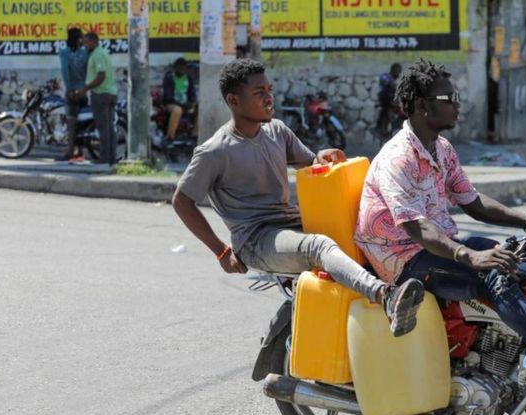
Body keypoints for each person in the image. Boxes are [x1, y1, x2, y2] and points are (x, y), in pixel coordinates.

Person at [354, 59, 526, 384]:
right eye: (448, 99)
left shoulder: (440, 149)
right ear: (422, 106)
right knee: (493, 276)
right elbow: (415, 227)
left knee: (515, 261)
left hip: (436, 244)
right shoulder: (397, 159)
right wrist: (469, 256)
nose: (457, 105)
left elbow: (474, 201)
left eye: (457, 97)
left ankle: (509, 354)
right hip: (403, 258)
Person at [171, 59, 425, 338]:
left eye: (269, 89)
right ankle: (386, 296)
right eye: (259, 93)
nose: (269, 98)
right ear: (233, 100)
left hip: (290, 222)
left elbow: (310, 162)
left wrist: (323, 156)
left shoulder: (276, 131)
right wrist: (221, 251)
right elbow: (182, 201)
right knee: (318, 246)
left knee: (368, 227)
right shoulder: (214, 151)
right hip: (256, 239)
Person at [77, 32, 117, 165]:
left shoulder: (98, 54)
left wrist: (85, 88)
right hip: (110, 93)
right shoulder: (102, 53)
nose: (84, 45)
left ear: (93, 42)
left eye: (86, 42)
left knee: (103, 129)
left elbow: (101, 76)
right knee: (110, 128)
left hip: (101, 94)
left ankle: (105, 159)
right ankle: (111, 158)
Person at [58, 27, 89, 162]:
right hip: (83, 91)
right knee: (82, 123)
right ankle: (80, 152)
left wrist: (69, 89)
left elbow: (65, 71)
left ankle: (69, 152)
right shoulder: (85, 53)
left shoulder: (64, 53)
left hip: (72, 91)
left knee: (71, 122)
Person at [162, 57, 198, 148]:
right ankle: (170, 137)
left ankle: (194, 135)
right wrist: (180, 105)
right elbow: (168, 95)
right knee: (177, 110)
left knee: (200, 108)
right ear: (175, 68)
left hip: (185, 105)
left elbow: (192, 94)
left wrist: (192, 103)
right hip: (171, 104)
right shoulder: (169, 77)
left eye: (184, 68)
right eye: (180, 68)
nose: (182, 70)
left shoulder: (188, 78)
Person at [376, 63, 403, 140]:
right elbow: (389, 84)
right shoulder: (385, 77)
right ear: (394, 70)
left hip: (391, 102)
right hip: (385, 102)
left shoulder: (393, 80)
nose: (399, 74)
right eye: (398, 71)